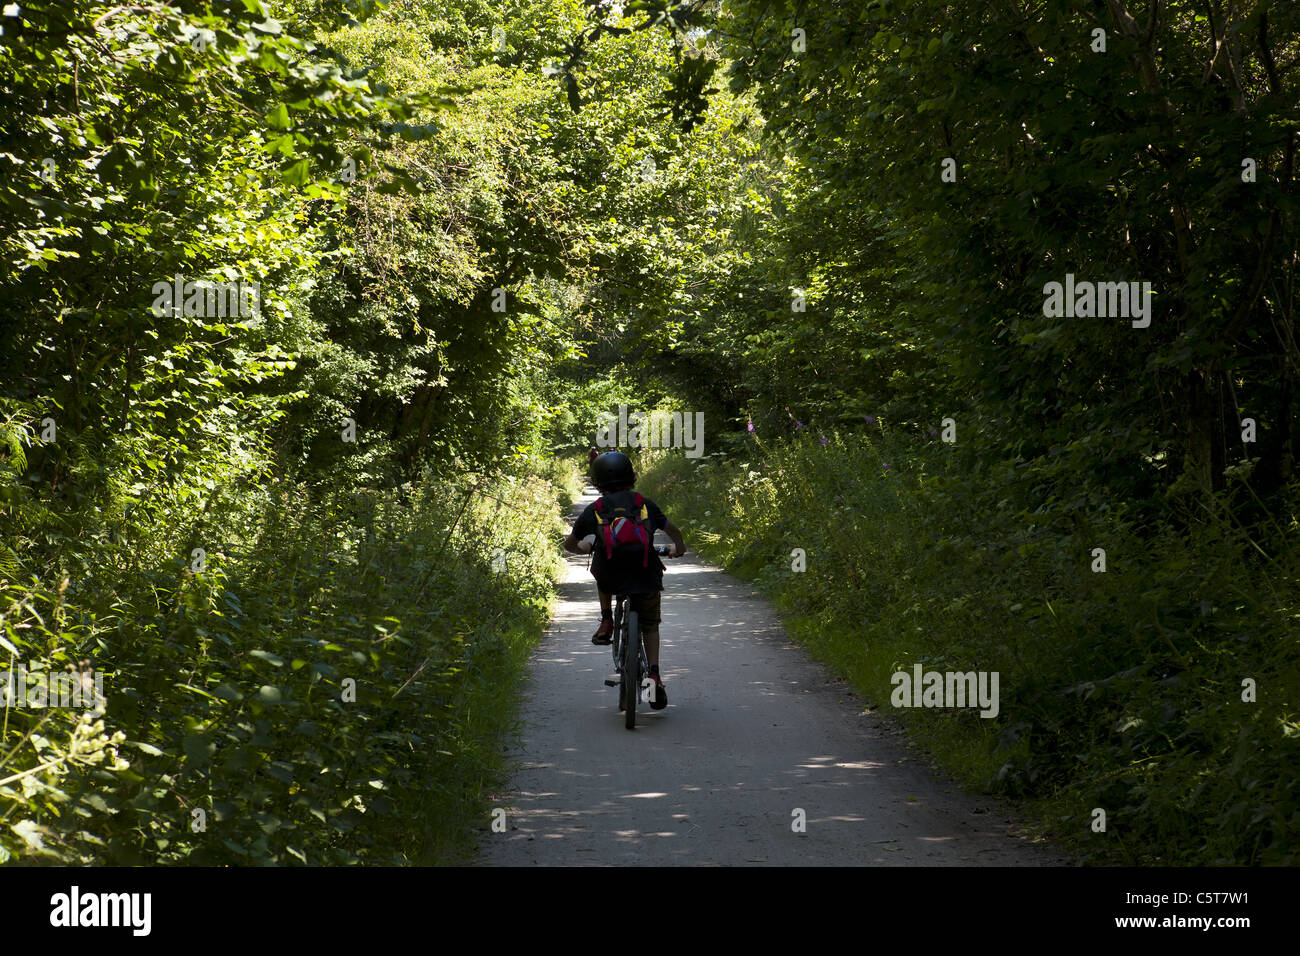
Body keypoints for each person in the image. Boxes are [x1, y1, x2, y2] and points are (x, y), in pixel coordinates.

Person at [563, 450, 686, 709]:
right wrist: (679, 547)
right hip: (645, 573)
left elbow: (570, 544)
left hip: (611, 577)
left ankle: (607, 619)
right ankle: (654, 673)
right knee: (650, 624)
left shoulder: (596, 509)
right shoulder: (643, 503)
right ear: (632, 476)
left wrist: (584, 547)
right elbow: (672, 529)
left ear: (596, 482)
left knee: (601, 566)